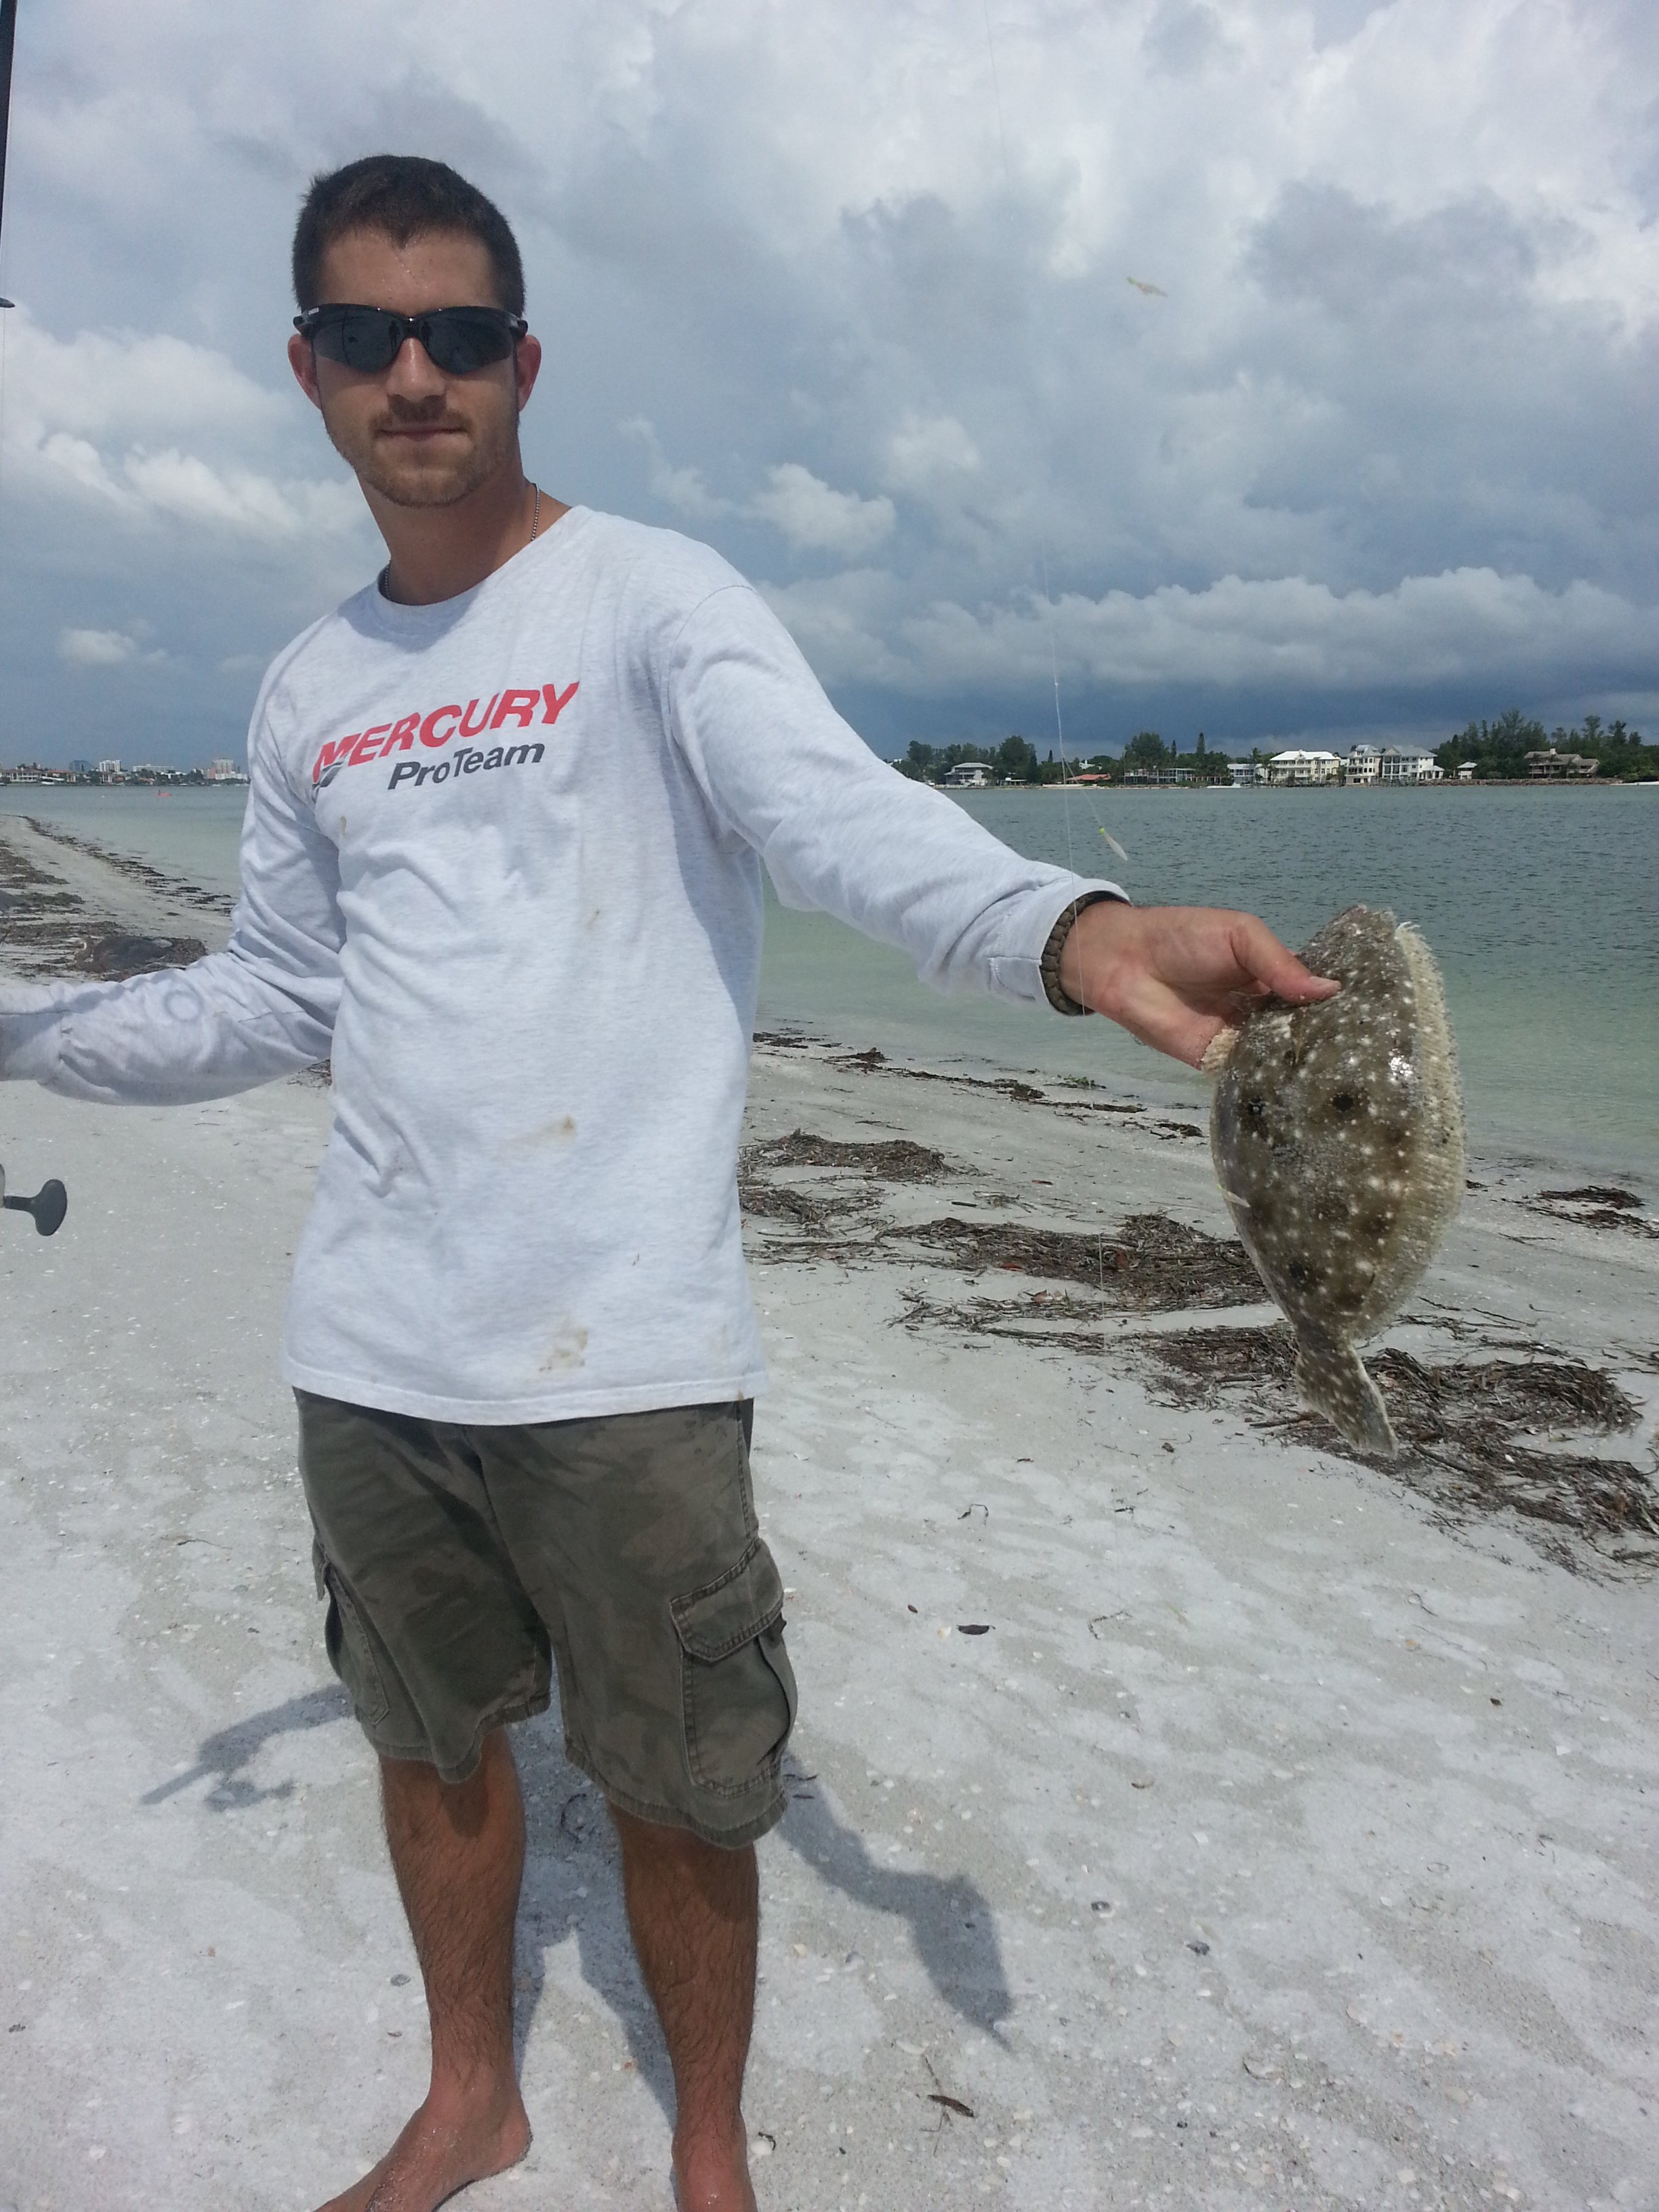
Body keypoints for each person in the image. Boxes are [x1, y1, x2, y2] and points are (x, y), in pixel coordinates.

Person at [0, 155, 1336, 2212]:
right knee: (431, 1748)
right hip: (373, 1351)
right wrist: (19, 1035)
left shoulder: (653, 598)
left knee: (686, 1785)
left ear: (525, 361)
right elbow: (270, 994)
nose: (416, 373)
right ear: (308, 368)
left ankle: (710, 2147)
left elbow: (837, 817)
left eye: (459, 333)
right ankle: (473, 2098)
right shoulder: (306, 691)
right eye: (366, 334)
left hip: (623, 1356)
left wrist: (1066, 929)